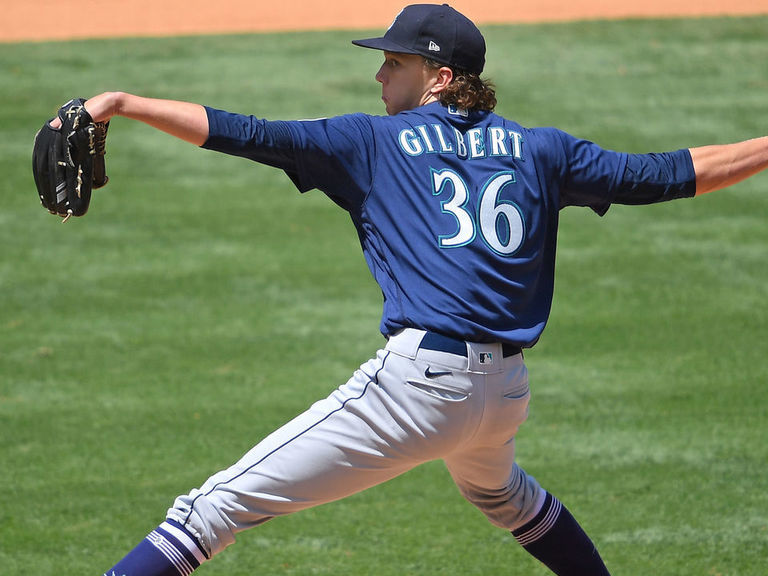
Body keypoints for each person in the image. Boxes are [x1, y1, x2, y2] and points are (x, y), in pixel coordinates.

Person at [53, 4, 768, 576]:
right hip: (504, 395)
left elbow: (245, 133)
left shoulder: (372, 143)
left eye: (393, 63)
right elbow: (673, 172)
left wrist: (124, 100)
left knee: (211, 511)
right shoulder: (542, 148)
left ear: (440, 75)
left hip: (421, 390)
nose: (379, 78)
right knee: (503, 496)